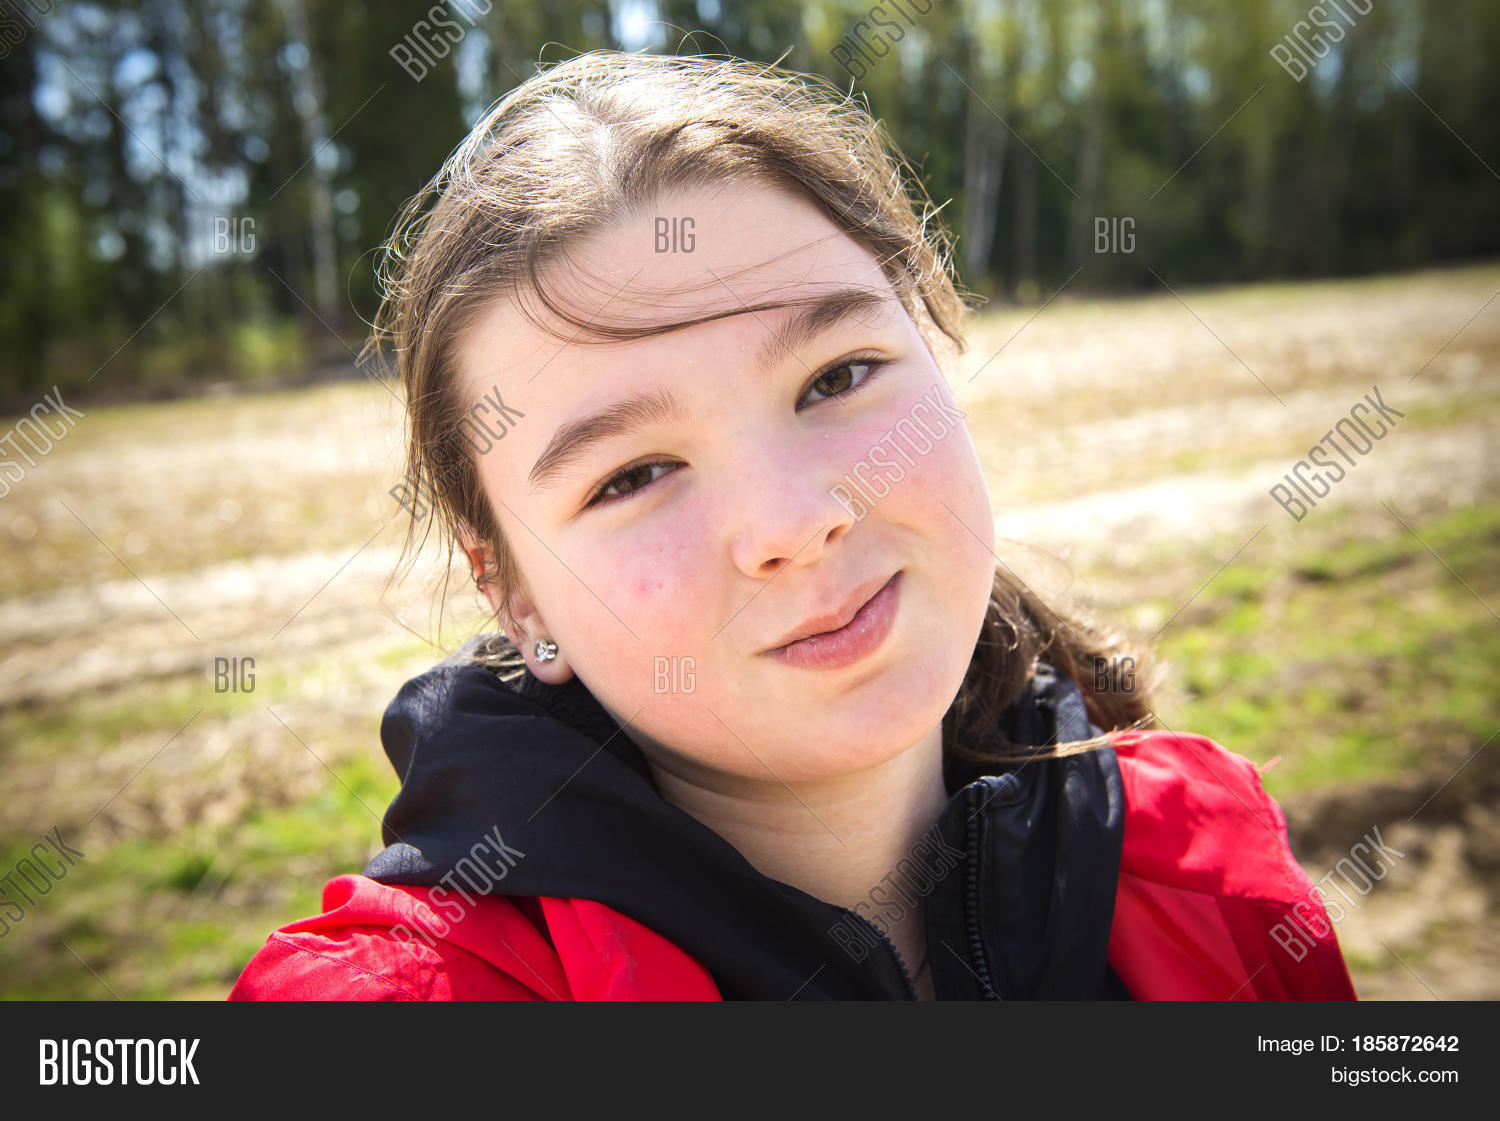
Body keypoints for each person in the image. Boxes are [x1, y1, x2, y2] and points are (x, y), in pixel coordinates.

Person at [230, 50, 1355, 1001]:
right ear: (516, 596)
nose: (797, 520)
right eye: (634, 474)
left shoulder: (1211, 888)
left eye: (837, 376)